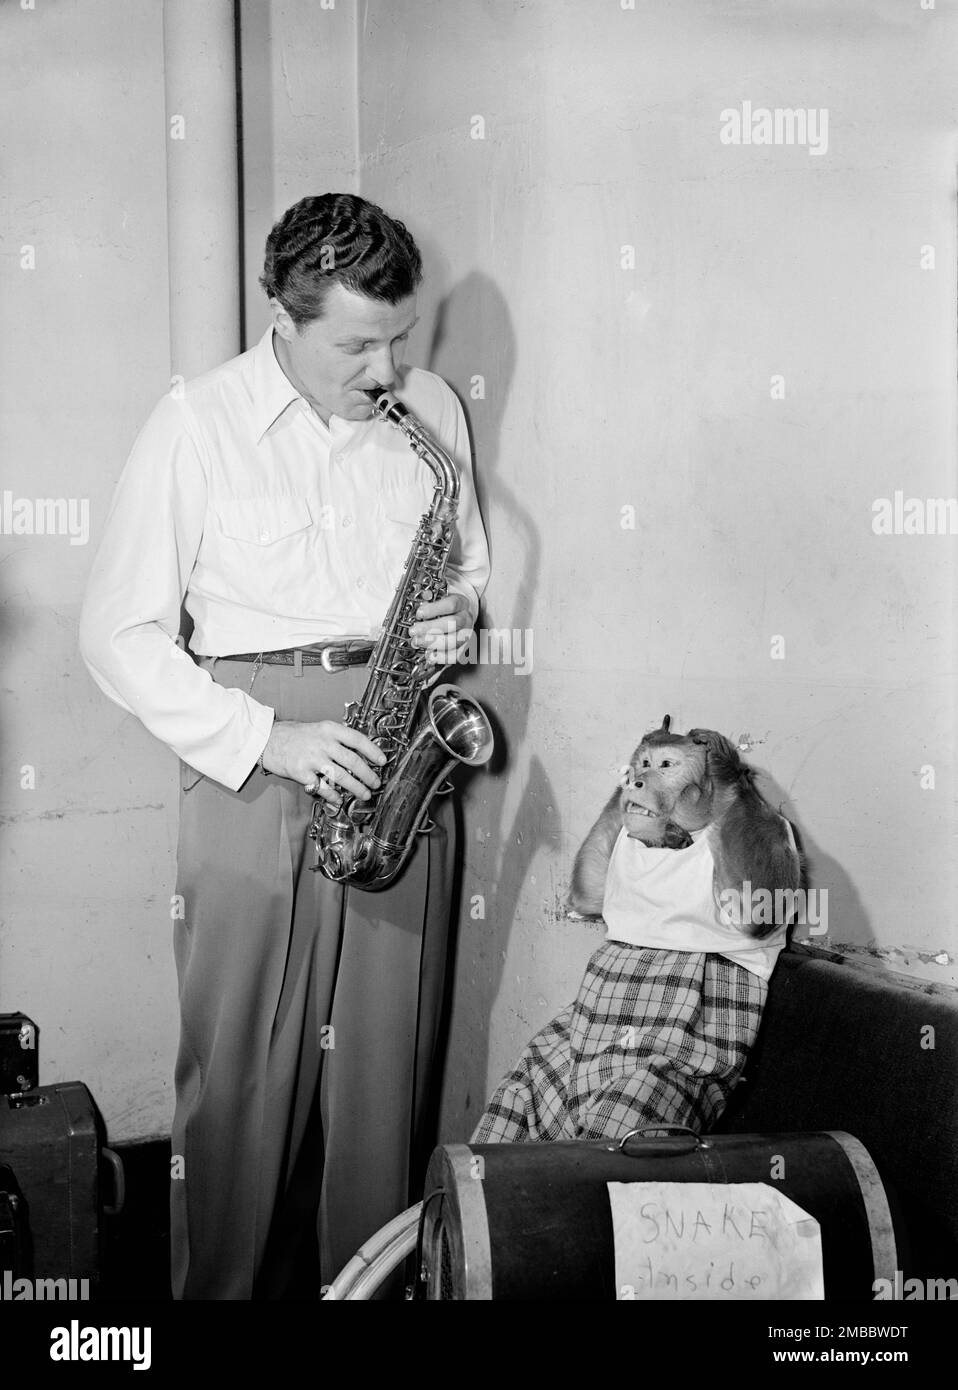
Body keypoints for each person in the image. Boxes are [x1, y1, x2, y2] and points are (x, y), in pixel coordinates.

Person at [79, 193, 490, 1299]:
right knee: (243, 1071)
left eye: (399, 337)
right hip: (256, 753)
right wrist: (270, 736)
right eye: (357, 344)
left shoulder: (431, 410)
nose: (386, 369)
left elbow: (465, 574)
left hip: (402, 747)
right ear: (286, 316)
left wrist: (457, 615)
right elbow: (115, 635)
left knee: (384, 1076)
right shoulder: (195, 419)